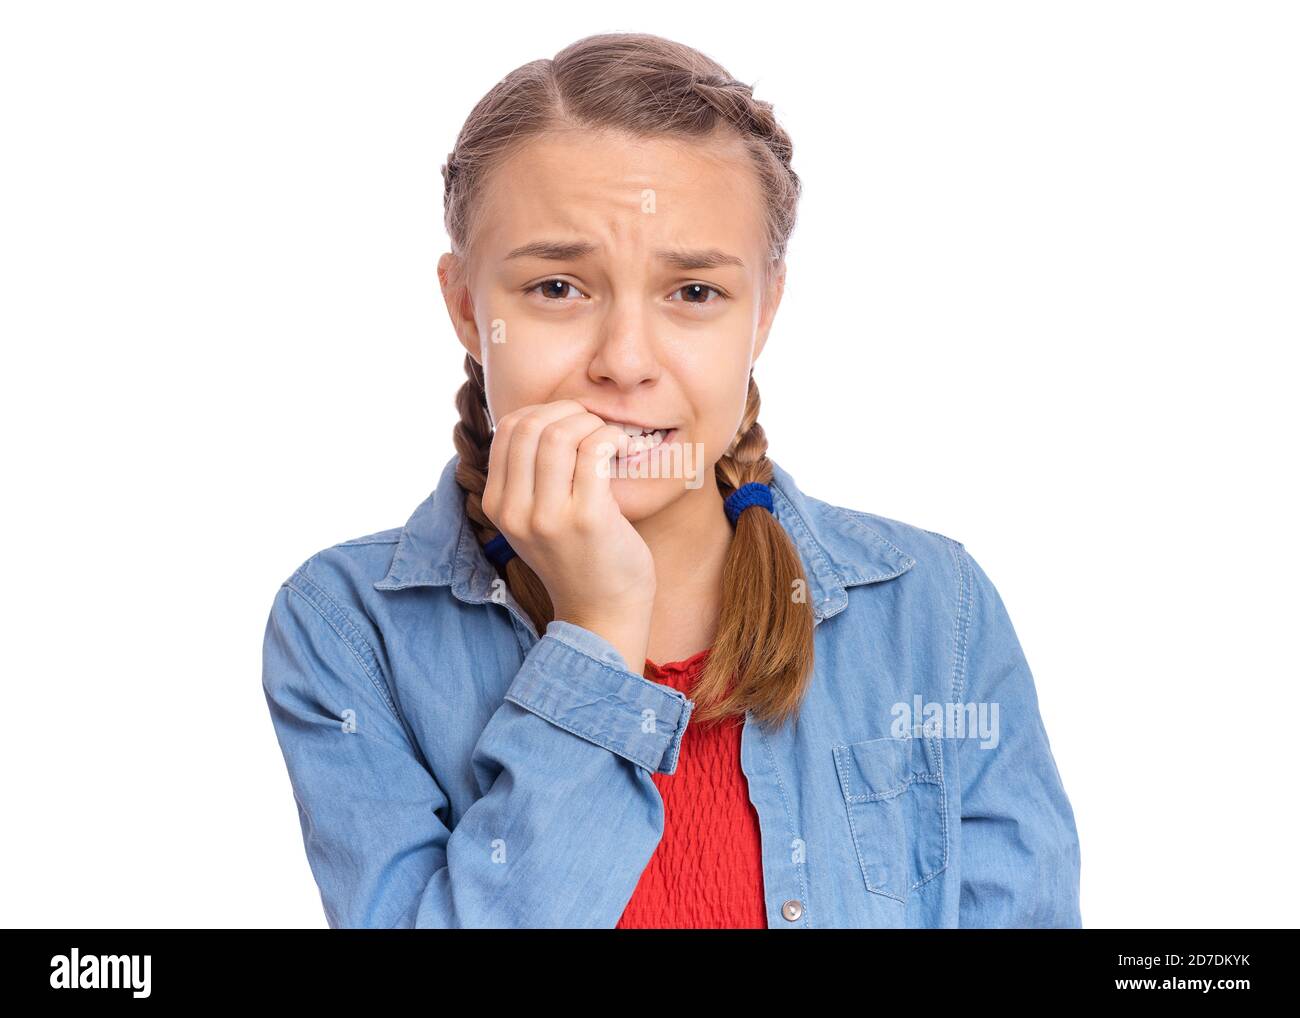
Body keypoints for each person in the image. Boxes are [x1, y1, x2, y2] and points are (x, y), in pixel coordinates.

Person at [261, 31, 1082, 929]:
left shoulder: (934, 609)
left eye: (693, 293)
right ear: (466, 305)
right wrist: (600, 631)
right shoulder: (348, 628)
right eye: (557, 288)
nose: (624, 362)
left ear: (763, 311)